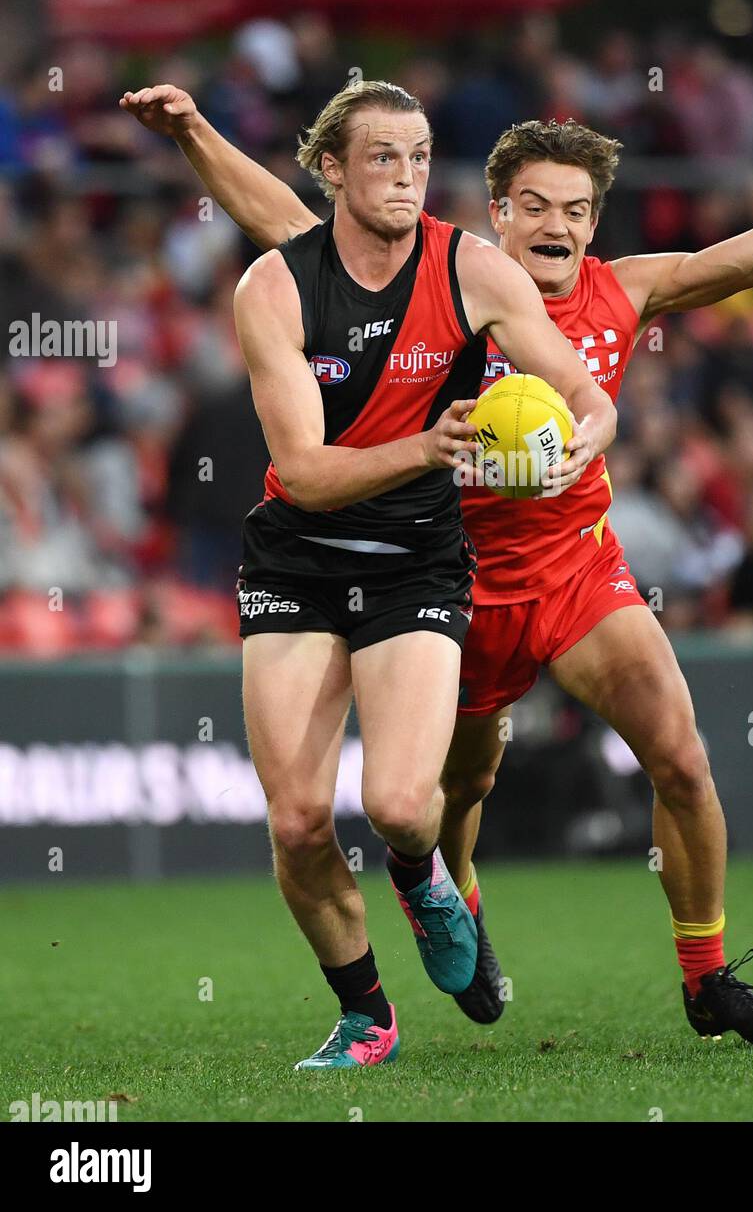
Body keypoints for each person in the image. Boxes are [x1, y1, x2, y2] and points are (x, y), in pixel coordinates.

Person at [123, 49, 753, 1046]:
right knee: (449, 795)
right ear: (498, 211)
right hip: (447, 576)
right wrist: (192, 135)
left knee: (681, 757)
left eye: (575, 210)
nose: (557, 227)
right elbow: (286, 219)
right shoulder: (438, 277)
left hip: (576, 569)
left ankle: (706, 977)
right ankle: (459, 907)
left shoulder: (625, 294)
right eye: (534, 206)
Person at [122, 79, 615, 1068]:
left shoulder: (473, 269)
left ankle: (421, 873)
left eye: (420, 156)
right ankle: (365, 1015)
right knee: (298, 818)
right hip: (298, 556)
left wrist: (583, 435)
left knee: (398, 802)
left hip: (414, 561)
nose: (404, 174)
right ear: (332, 170)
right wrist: (430, 448)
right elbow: (303, 475)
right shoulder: (273, 287)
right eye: (381, 156)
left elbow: (578, 387)